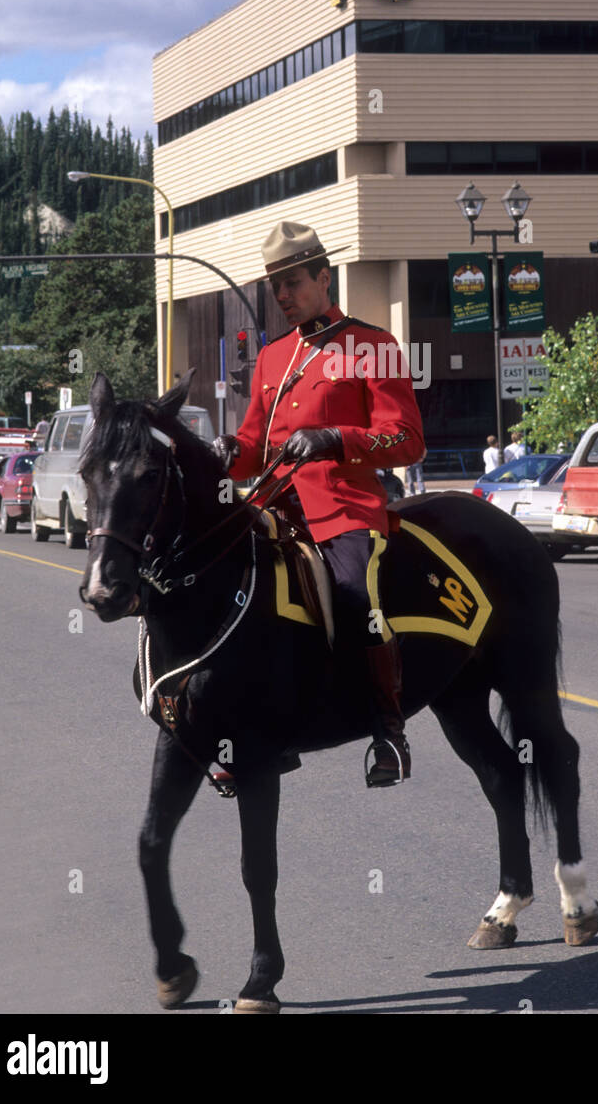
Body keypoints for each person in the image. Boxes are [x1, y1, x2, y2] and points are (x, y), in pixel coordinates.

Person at [212, 220, 425, 788]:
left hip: (343, 509)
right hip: (275, 508)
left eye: (292, 283)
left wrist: (336, 438)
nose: (281, 296)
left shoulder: (371, 345)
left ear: (323, 277)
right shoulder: (271, 357)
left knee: (357, 594)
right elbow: (255, 449)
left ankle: (389, 734)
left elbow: (406, 437)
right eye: (273, 286)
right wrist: (227, 450)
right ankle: (256, 731)